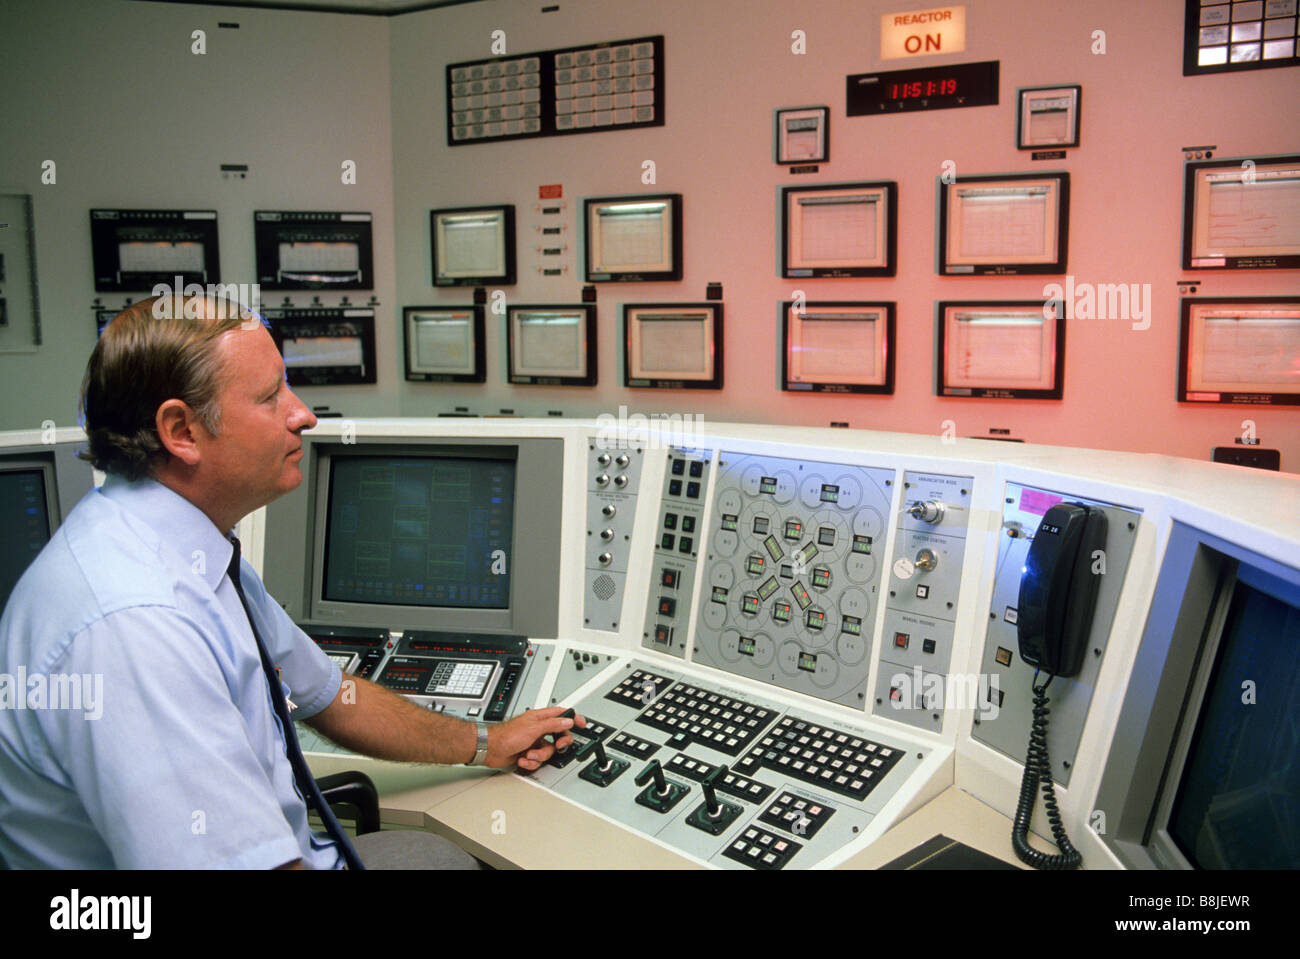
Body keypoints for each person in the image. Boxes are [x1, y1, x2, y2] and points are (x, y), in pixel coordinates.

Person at [0, 294, 582, 869]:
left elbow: (333, 698)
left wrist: (485, 742)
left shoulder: (187, 550)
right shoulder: (136, 624)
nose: (303, 415)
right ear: (182, 431)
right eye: (270, 395)